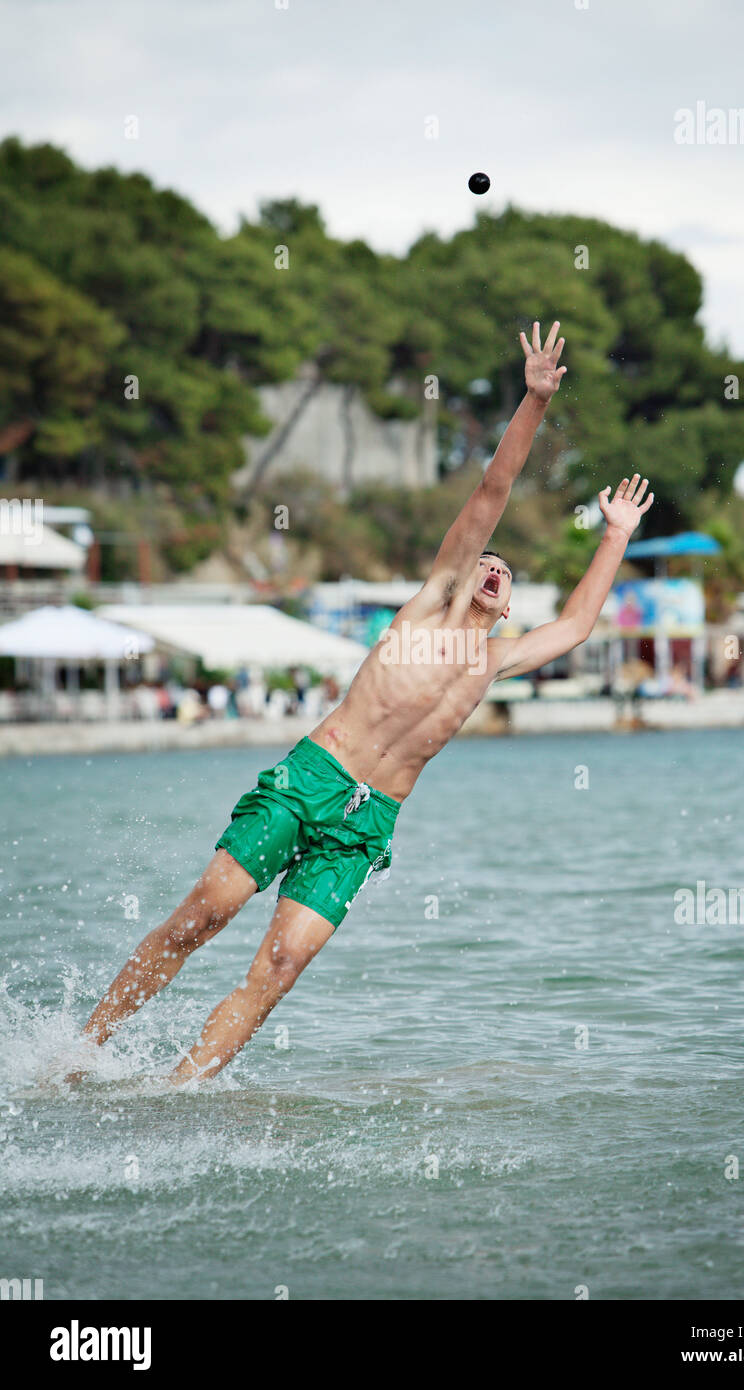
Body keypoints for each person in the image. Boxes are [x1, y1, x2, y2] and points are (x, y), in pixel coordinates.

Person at [76, 321, 654, 1085]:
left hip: (367, 821)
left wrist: (614, 533)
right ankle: (80, 1054)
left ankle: (177, 1095)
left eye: (504, 572)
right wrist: (534, 402)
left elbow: (579, 623)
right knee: (203, 918)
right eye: (486, 559)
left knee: (279, 968)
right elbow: (492, 492)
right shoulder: (430, 606)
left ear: (509, 605)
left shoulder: (496, 659)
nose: (492, 567)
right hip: (314, 775)